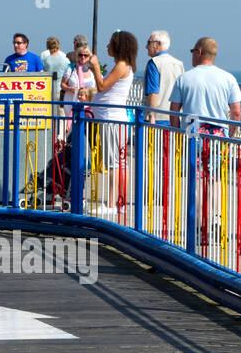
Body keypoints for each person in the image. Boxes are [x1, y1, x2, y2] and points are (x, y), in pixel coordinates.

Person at [91, 29, 137, 214]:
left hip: (111, 119)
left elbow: (102, 86)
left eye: (110, 43)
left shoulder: (121, 66)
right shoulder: (124, 66)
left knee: (113, 163)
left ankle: (111, 204)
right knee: (118, 161)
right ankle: (119, 202)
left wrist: (95, 66)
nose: (107, 46)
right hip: (112, 119)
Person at [169, 38, 241, 137]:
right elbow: (236, 112)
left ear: (199, 52)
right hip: (219, 136)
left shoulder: (183, 78)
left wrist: (178, 136)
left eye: (193, 51)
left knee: (191, 153)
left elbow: (174, 113)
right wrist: (230, 136)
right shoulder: (229, 78)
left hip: (191, 135)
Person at [144, 31, 185, 124]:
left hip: (158, 118)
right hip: (175, 117)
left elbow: (153, 92)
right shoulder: (179, 64)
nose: (146, 46)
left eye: (149, 42)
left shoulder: (154, 63)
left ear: (158, 44)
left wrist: (151, 116)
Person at [61, 42, 96, 124]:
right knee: (73, 127)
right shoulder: (71, 68)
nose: (83, 57)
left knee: (87, 128)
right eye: (80, 55)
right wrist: (69, 89)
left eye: (86, 55)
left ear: (89, 56)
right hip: (72, 103)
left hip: (89, 106)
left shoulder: (93, 70)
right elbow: (62, 84)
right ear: (77, 56)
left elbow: (98, 87)